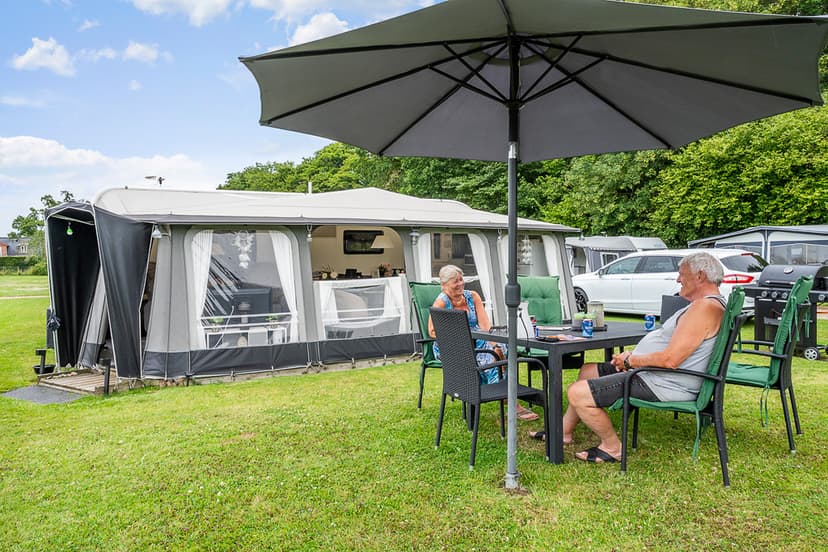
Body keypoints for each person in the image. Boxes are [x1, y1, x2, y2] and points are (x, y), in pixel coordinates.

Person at [538, 252, 727, 462]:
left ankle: (612, 447)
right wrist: (633, 358)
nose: (678, 279)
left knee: (577, 393)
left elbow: (671, 360)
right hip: (656, 374)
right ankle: (564, 431)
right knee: (588, 371)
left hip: (664, 383)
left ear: (700, 276)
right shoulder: (711, 304)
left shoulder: (704, 308)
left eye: (682, 274)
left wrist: (630, 360)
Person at [427, 264, 540, 421]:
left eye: (461, 279)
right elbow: (432, 332)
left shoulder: (472, 296)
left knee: (503, 349)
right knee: (487, 358)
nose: (460, 284)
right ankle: (505, 398)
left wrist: (495, 345)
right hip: (453, 346)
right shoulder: (441, 303)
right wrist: (460, 336)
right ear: (444, 285)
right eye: (455, 281)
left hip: (479, 340)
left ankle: (503, 394)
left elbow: (486, 326)